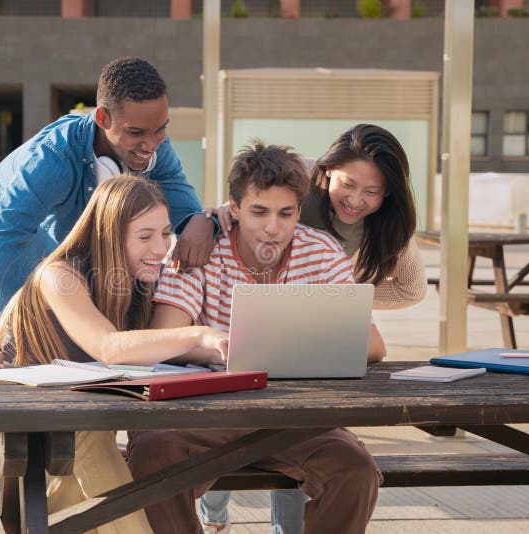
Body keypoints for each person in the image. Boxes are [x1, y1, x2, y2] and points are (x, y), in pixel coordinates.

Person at [0, 176, 229, 533]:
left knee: (83, 483)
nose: (161, 247)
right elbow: (108, 346)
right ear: (109, 234)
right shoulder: (59, 276)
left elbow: (156, 349)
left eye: (166, 233)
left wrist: (227, 350)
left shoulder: (137, 286)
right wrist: (199, 333)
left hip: (59, 436)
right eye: (145, 236)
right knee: (87, 439)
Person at [126, 143, 384, 534]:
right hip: (208, 410)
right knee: (151, 455)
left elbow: (375, 345)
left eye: (286, 213)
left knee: (355, 469)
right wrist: (218, 344)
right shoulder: (200, 251)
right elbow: (164, 336)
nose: (272, 227)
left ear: (299, 210)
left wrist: (284, 347)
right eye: (258, 211)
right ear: (234, 207)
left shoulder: (323, 252)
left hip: (295, 415)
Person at [200, 124, 426, 533]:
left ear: (389, 192)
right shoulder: (300, 174)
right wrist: (204, 221)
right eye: (348, 184)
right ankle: (213, 516)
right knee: (222, 425)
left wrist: (338, 302)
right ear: (326, 171)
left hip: (313, 316)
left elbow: (411, 289)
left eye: (372, 192)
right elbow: (248, 201)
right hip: (255, 303)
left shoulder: (389, 224)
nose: (356, 200)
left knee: (297, 435)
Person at [0, 56, 217, 370]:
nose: (152, 144)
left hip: (75, 275)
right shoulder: (49, 161)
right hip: (23, 252)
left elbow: (184, 206)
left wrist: (200, 220)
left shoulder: (156, 148)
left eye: (160, 129)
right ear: (102, 118)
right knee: (19, 345)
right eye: (137, 132)